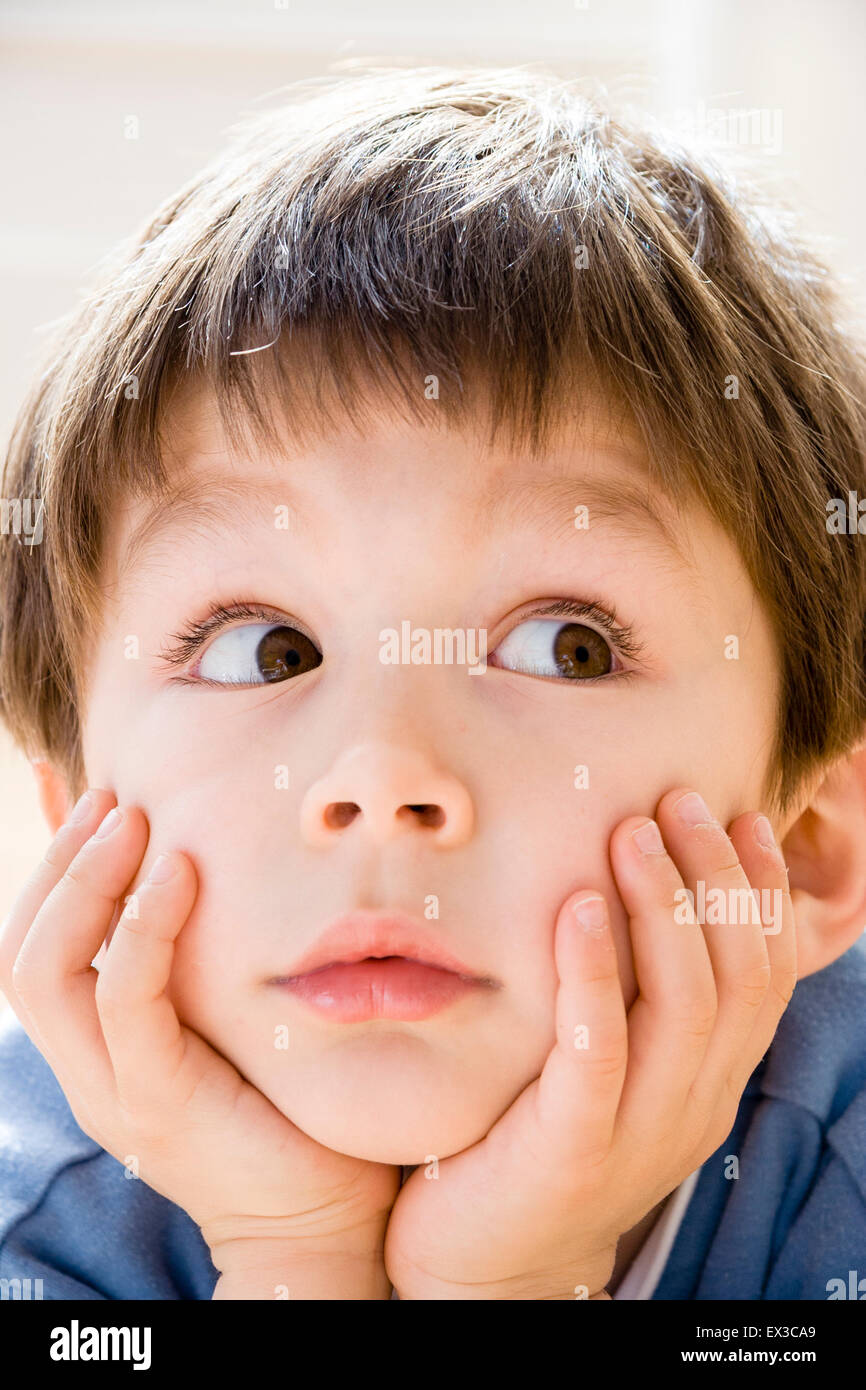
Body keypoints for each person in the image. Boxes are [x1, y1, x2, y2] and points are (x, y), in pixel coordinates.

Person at [1, 65, 864, 1300]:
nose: (382, 779)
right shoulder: (35, 1224)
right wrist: (289, 1255)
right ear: (73, 826)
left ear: (808, 847)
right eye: (264, 649)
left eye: (566, 642)